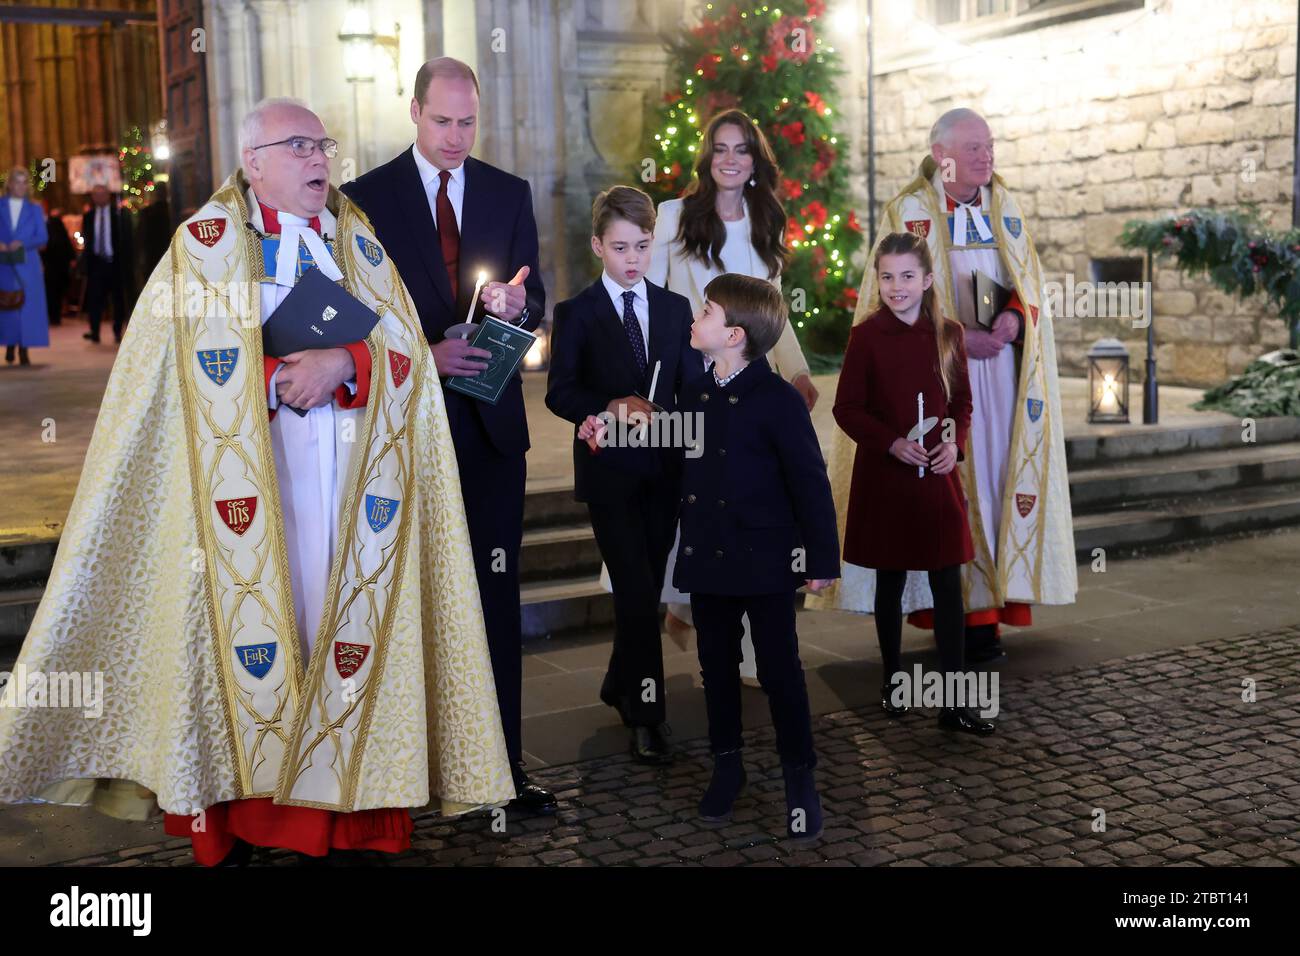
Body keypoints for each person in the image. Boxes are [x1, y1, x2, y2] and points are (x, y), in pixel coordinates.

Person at [0, 97, 514, 866]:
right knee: (257, 643)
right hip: (249, 495)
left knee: (336, 632)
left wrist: (346, 364)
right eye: (299, 146)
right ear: (254, 161)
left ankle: (352, 814)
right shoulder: (202, 247)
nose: (319, 160)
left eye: (325, 145)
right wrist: (275, 376)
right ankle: (242, 817)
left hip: (352, 491)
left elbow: (407, 353)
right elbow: (169, 375)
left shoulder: (359, 242)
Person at [342, 57, 554, 814]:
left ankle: (502, 773)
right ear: (414, 110)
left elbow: (535, 302)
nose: (458, 135)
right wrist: (422, 358)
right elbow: (348, 321)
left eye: (469, 122)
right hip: (402, 433)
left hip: (491, 432)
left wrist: (510, 308)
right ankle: (405, 774)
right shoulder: (363, 200)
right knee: (405, 603)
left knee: (496, 599)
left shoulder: (508, 192)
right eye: (444, 121)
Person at [809, 108, 1076, 662]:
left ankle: (994, 612)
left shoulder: (1006, 206)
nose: (987, 156)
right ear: (941, 153)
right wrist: (955, 340)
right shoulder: (908, 212)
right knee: (956, 487)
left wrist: (1014, 318)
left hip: (1001, 374)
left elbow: (1025, 283)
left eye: (990, 146)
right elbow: (893, 295)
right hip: (934, 373)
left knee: (999, 476)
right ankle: (964, 618)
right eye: (974, 147)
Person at [579, 274, 838, 841]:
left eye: (707, 312)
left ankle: (800, 777)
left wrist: (822, 558)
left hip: (766, 560)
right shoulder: (696, 391)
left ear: (735, 335)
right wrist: (612, 428)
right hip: (708, 557)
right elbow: (670, 438)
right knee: (716, 668)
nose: (695, 318)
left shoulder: (777, 401)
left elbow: (810, 482)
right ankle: (728, 765)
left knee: (779, 671)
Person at [646, 109, 819, 684]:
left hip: (747, 385)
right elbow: (651, 300)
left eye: (741, 149)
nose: (729, 159)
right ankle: (684, 613)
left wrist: (796, 371)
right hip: (688, 385)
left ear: (754, 161)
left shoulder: (765, 221)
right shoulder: (673, 217)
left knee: (742, 502)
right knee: (693, 503)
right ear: (707, 157)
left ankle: (732, 651)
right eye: (720, 148)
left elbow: (772, 310)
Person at [545, 186, 697, 764]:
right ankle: (647, 714)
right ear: (597, 247)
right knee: (634, 590)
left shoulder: (675, 309)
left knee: (645, 594)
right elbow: (561, 392)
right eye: (620, 247)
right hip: (608, 472)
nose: (632, 258)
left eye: (642, 245)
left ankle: (617, 682)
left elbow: (685, 386)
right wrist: (611, 406)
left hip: (664, 470)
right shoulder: (576, 313)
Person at [834, 232, 993, 734]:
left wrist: (954, 444)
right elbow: (847, 409)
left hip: (936, 478)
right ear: (876, 280)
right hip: (887, 477)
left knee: (949, 584)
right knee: (892, 579)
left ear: (926, 280)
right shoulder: (866, 337)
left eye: (907, 277)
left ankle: (952, 701)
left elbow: (961, 406)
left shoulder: (948, 334)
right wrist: (890, 443)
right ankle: (892, 681)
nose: (896, 287)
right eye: (886, 277)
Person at [0, 167, 49, 365]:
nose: (20, 186)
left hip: (28, 263)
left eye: (24, 182)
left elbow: (43, 237)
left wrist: (23, 243)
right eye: (17, 182)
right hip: (4, 263)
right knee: (8, 304)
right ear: (9, 184)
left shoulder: (35, 208)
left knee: (28, 307)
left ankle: (24, 348)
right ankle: (10, 343)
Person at [80, 183, 133, 343]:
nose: (99, 197)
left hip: (115, 263)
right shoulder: (88, 216)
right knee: (95, 299)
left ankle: (117, 330)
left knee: (117, 299)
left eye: (102, 194)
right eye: (96, 194)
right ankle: (94, 331)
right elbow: (88, 240)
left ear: (108, 195)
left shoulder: (119, 214)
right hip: (96, 263)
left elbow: (126, 239)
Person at [42, 207, 74, 327]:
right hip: (53, 266)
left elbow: (64, 241)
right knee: (53, 293)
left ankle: (54, 316)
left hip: (55, 267)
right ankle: (53, 316)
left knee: (53, 292)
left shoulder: (53, 226)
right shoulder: (60, 233)